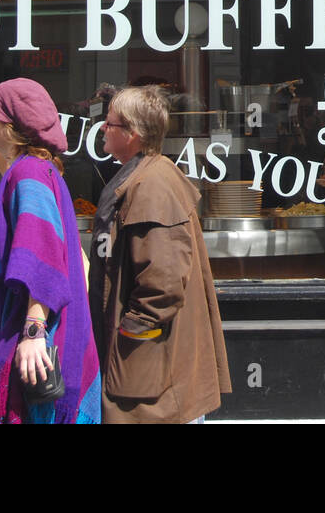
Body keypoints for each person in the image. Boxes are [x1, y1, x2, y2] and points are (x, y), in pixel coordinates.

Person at [0, 78, 101, 424]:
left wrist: (34, 332)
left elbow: (43, 261)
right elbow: (79, 264)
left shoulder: (28, 175)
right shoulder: (37, 172)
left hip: (31, 341)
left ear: (9, 129)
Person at [89, 84, 230, 423]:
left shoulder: (151, 186)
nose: (103, 129)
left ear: (133, 134)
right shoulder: (147, 175)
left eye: (111, 124)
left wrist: (129, 335)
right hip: (150, 377)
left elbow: (163, 283)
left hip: (155, 385)